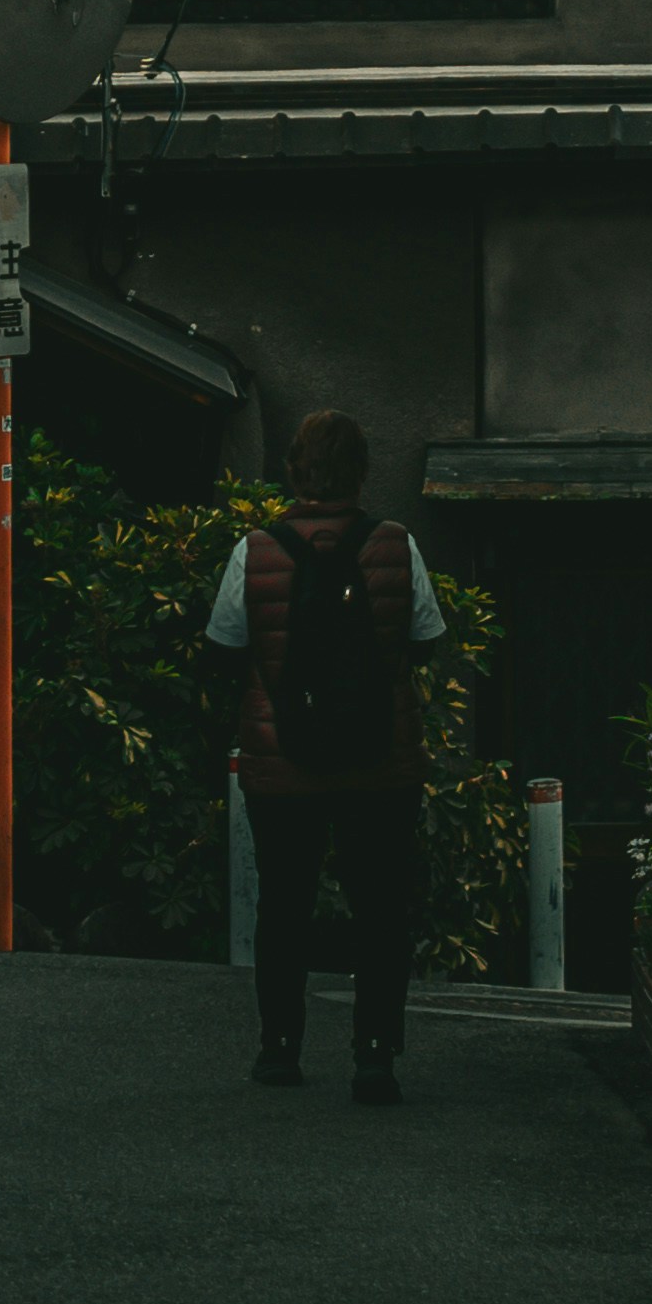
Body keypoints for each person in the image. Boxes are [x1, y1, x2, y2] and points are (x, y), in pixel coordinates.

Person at [204, 410, 447, 1109]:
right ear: (362, 470)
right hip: (382, 761)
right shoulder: (395, 545)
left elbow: (223, 650)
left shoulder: (257, 549)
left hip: (283, 763)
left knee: (284, 902)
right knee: (379, 907)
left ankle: (279, 1048)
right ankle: (374, 1056)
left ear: (295, 472)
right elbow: (425, 638)